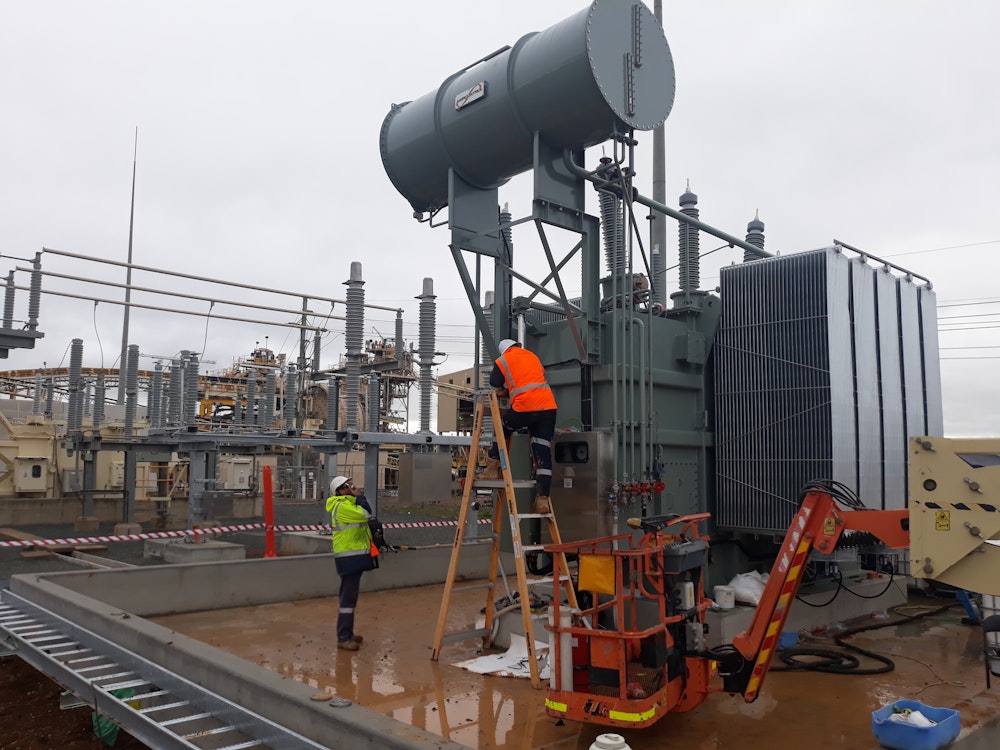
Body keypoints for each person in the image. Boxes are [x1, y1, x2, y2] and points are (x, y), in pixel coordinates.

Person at [482, 338, 557, 514]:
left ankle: (492, 466)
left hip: (525, 407)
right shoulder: (532, 356)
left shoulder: (503, 360)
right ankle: (542, 500)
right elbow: (529, 380)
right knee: (542, 452)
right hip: (548, 408)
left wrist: (503, 390)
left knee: (502, 429)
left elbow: (494, 382)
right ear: (516, 346)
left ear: (504, 350)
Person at [326, 475, 374, 652]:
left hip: (353, 557)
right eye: (348, 486)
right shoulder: (343, 506)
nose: (353, 487)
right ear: (340, 491)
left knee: (349, 596)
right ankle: (343, 637)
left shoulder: (347, 504)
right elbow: (365, 514)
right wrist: (360, 497)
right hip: (349, 558)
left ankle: (347, 633)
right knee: (348, 598)